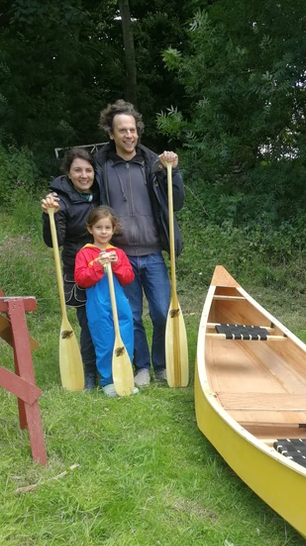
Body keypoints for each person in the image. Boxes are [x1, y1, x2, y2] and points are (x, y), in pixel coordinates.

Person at [93, 99, 185, 387]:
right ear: (111, 133)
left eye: (132, 129)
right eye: (122, 130)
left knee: (161, 312)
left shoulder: (153, 163)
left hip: (153, 253)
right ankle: (141, 366)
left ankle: (160, 364)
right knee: (130, 315)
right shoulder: (101, 165)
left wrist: (174, 172)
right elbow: (82, 191)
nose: (128, 135)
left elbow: (176, 203)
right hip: (120, 255)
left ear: (138, 131)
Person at [41, 147, 100, 390]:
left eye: (88, 170)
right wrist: (49, 215)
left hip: (104, 264)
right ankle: (89, 372)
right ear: (68, 173)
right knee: (87, 321)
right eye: (78, 170)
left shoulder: (99, 193)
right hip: (79, 268)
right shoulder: (59, 199)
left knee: (105, 318)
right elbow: (53, 240)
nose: (84, 175)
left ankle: (110, 364)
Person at [74, 206, 137, 398]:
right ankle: (108, 381)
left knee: (125, 337)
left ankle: (126, 376)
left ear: (113, 229)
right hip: (98, 303)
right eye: (99, 227)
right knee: (104, 340)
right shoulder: (85, 254)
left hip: (119, 302)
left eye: (107, 227)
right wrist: (99, 265)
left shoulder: (118, 253)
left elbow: (128, 278)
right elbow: (81, 280)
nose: (103, 232)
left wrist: (116, 263)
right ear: (90, 229)